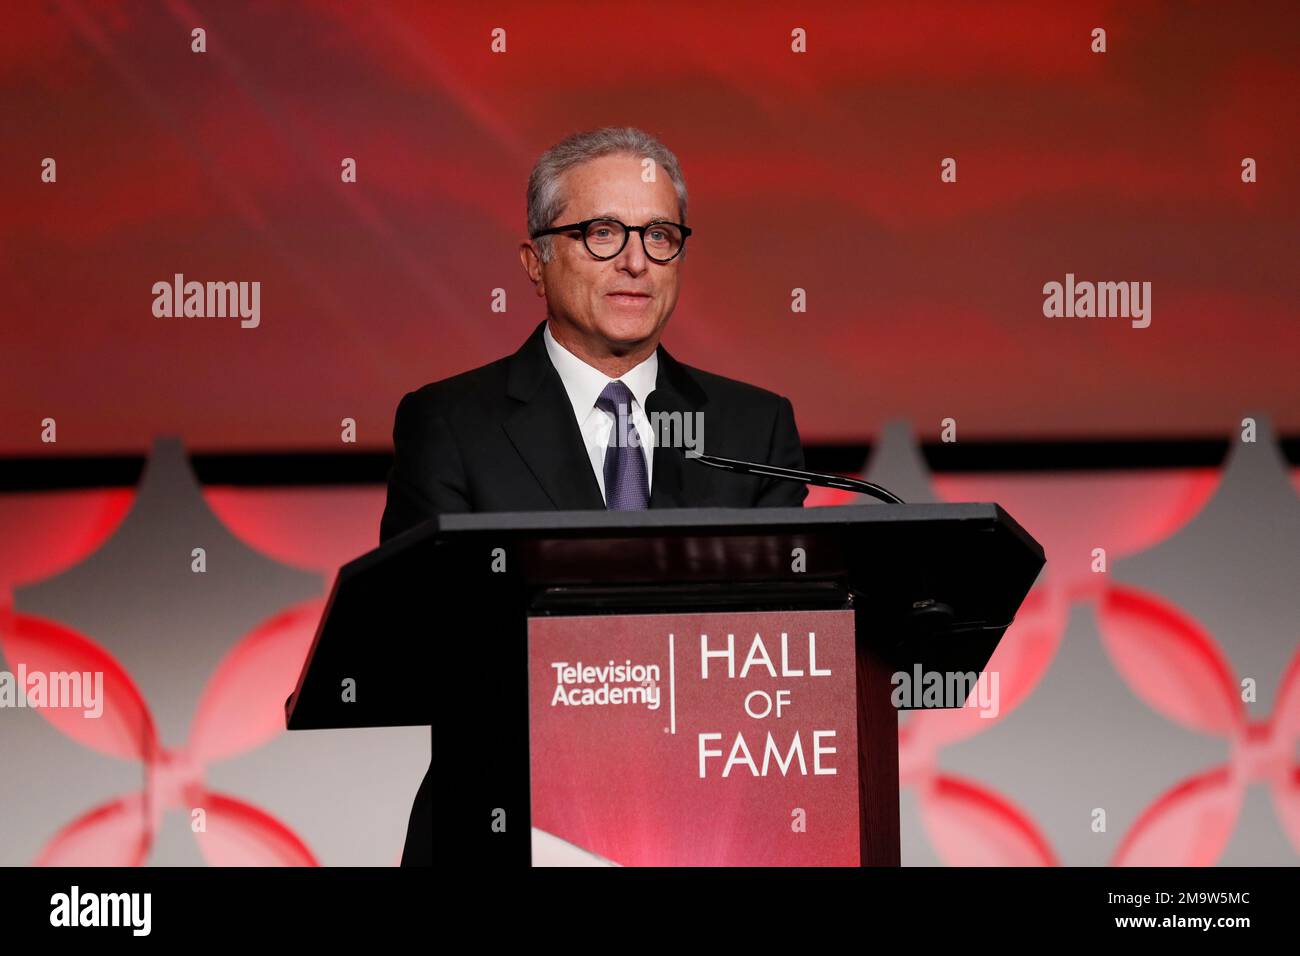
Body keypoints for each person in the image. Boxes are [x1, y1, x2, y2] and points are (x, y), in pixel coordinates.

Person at [380, 126, 807, 866]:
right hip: (506, 828)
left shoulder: (750, 425)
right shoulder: (450, 423)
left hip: (712, 828)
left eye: (660, 235)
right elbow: (420, 640)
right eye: (602, 233)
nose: (637, 260)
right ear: (535, 261)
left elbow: (782, 650)